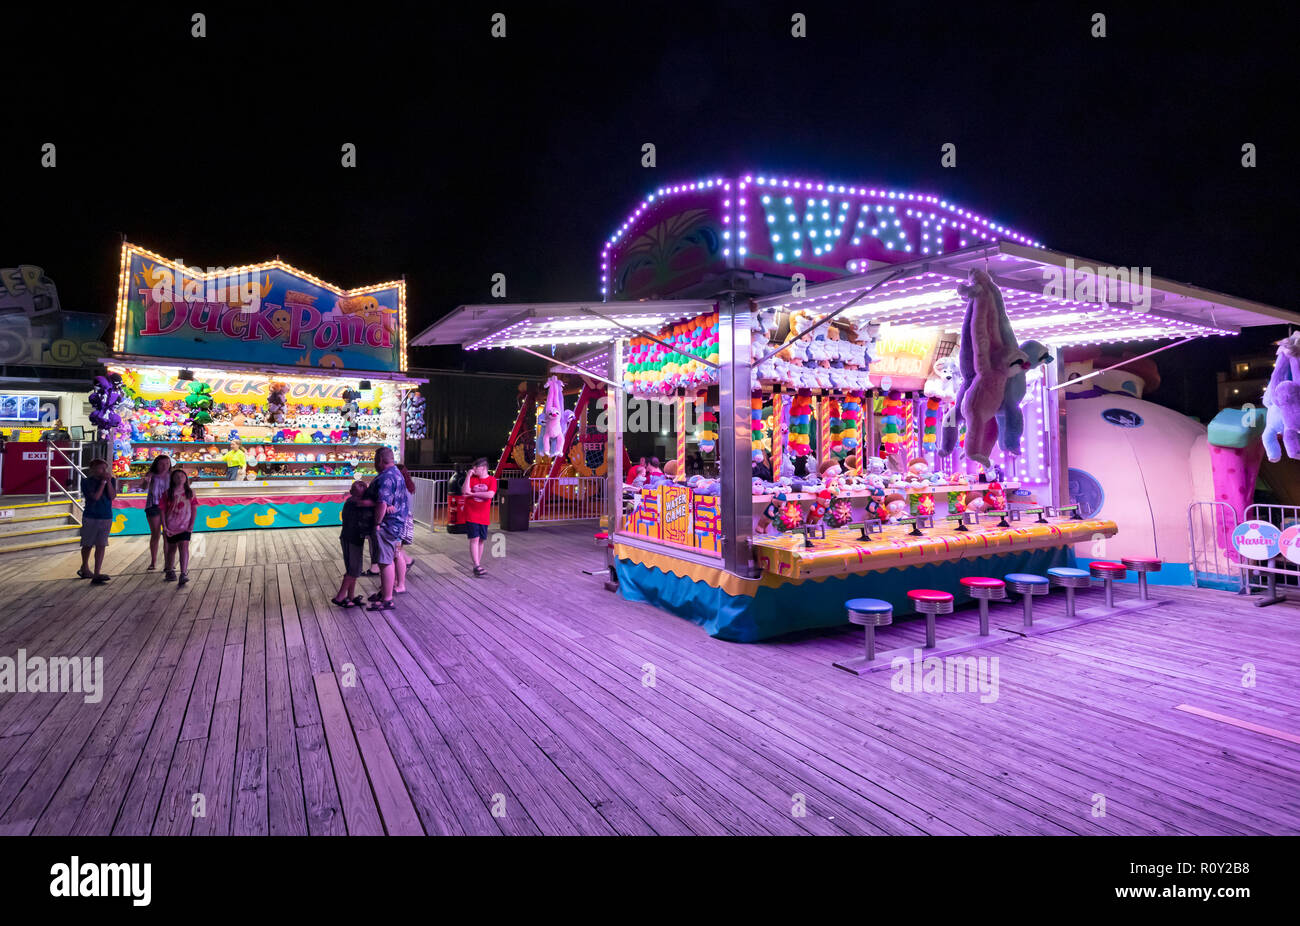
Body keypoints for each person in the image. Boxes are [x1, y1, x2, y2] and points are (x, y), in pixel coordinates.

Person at [363, 447, 410, 610]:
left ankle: (387, 599)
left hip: (386, 525)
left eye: (375, 461)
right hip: (395, 523)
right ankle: (385, 592)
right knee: (388, 558)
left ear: (381, 461)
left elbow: (383, 503)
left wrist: (377, 522)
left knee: (385, 561)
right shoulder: (396, 473)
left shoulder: (387, 477)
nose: (375, 464)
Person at [77, 458, 116, 585]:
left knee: (101, 544)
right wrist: (103, 483)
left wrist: (108, 482)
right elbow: (95, 497)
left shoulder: (112, 480)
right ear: (93, 469)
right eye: (101, 468)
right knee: (87, 544)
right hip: (91, 515)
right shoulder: (87, 482)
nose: (104, 471)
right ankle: (85, 567)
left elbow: (112, 496)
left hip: (106, 515)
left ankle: (97, 572)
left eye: (105, 468)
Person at [332, 480, 370, 607]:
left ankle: (351, 596)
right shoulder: (356, 503)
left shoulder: (350, 501)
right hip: (352, 539)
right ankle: (340, 597)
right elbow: (366, 507)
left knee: (352, 568)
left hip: (349, 537)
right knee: (354, 569)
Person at [161, 468, 197, 586]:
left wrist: (191, 525)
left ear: (186, 478)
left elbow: (194, 509)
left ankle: (183, 573)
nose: (180, 478)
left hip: (185, 525)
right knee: (172, 549)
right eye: (177, 476)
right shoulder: (167, 493)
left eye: (182, 476)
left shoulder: (190, 492)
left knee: (184, 547)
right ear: (172, 479)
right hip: (171, 525)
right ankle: (170, 569)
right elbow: (162, 510)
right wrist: (164, 526)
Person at [463, 457, 496, 577]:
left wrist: (473, 494)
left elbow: (490, 494)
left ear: (483, 468)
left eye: (475, 467)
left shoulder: (492, 480)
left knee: (481, 540)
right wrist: (468, 476)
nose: (473, 469)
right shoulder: (472, 479)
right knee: (474, 539)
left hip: (484, 515)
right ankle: (476, 565)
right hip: (471, 513)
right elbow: (464, 491)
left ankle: (477, 564)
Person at [141, 454, 172, 570]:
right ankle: (153, 562)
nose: (165, 466)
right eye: (162, 464)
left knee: (167, 535)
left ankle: (168, 563)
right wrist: (147, 481)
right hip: (153, 505)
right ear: (156, 465)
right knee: (155, 534)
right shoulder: (151, 475)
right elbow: (143, 487)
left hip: (168, 507)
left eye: (167, 464)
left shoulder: (172, 475)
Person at [394, 463, 417, 575]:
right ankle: (407, 561)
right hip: (406, 519)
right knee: (398, 548)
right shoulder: (408, 486)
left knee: (396, 550)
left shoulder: (401, 488)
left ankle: (399, 579)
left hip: (401, 520)